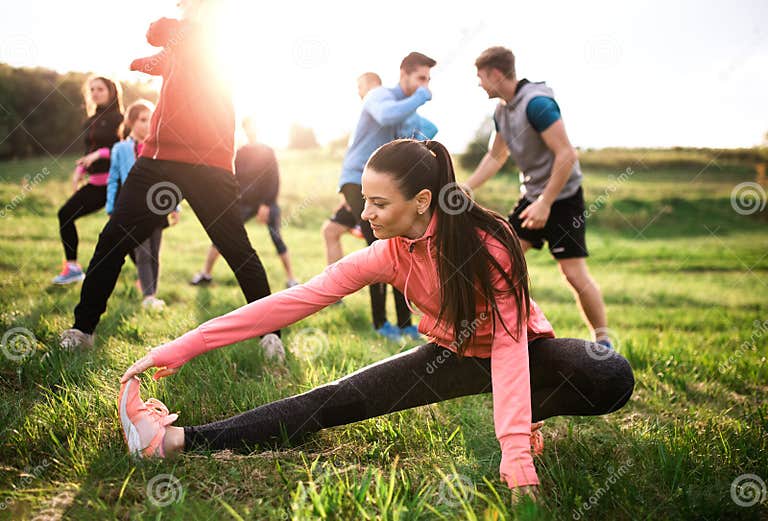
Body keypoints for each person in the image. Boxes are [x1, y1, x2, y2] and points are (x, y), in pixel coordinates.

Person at [118, 139, 635, 502]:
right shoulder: (386, 253)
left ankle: (524, 415)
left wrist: (515, 450)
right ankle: (173, 441)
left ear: (422, 201)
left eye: (378, 202)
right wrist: (180, 347)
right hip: (449, 357)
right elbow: (295, 301)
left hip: (522, 351)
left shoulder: (489, 244)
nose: (365, 213)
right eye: (365, 199)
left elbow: (507, 345)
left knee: (608, 373)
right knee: (330, 400)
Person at [59, 0, 283, 361]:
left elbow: (159, 30)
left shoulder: (215, 35)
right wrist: (144, 64)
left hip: (209, 162)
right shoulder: (180, 45)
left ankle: (271, 335)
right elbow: (157, 54)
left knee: (236, 248)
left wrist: (179, 26)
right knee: (115, 237)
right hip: (159, 159)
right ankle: (83, 329)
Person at [466, 47, 614, 348]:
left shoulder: (537, 104)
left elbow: (566, 154)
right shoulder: (502, 111)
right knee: (499, 257)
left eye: (480, 76)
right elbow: (496, 156)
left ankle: (603, 341)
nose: (479, 83)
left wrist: (546, 202)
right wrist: (467, 188)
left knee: (572, 273)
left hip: (563, 198)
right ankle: (508, 333)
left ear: (495, 74)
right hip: (533, 196)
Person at [335, 57, 439, 342]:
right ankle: (381, 324)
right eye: (420, 79)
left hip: (386, 187)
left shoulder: (404, 111)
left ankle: (405, 325)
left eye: (428, 81)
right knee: (379, 249)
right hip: (358, 180)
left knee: (398, 248)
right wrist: (418, 99)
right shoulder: (378, 96)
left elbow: (430, 130)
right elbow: (385, 116)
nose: (425, 86)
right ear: (403, 75)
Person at [190, 117, 298, 288]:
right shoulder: (240, 153)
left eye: (254, 127)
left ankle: (291, 279)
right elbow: (234, 178)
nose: (251, 130)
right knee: (223, 234)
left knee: (276, 238)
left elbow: (273, 180)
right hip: (244, 203)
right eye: (248, 127)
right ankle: (206, 274)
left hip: (266, 202)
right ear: (245, 130)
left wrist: (266, 204)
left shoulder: (267, 151)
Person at [106, 100, 180, 311]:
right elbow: (113, 179)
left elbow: (169, 179)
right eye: (143, 120)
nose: (148, 125)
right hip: (132, 209)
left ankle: (151, 295)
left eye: (151, 120)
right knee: (142, 252)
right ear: (131, 122)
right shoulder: (120, 148)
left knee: (154, 252)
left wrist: (175, 206)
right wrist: (111, 208)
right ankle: (148, 297)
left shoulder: (158, 148)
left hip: (157, 207)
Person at [53, 76, 123, 284]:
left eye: (100, 89)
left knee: (122, 230)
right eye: (92, 89)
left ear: (111, 92)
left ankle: (145, 283)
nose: (95, 93)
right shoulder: (90, 121)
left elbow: (126, 149)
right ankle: (73, 268)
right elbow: (88, 150)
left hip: (115, 184)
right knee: (65, 214)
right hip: (95, 184)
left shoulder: (120, 119)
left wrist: (99, 154)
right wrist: (80, 169)